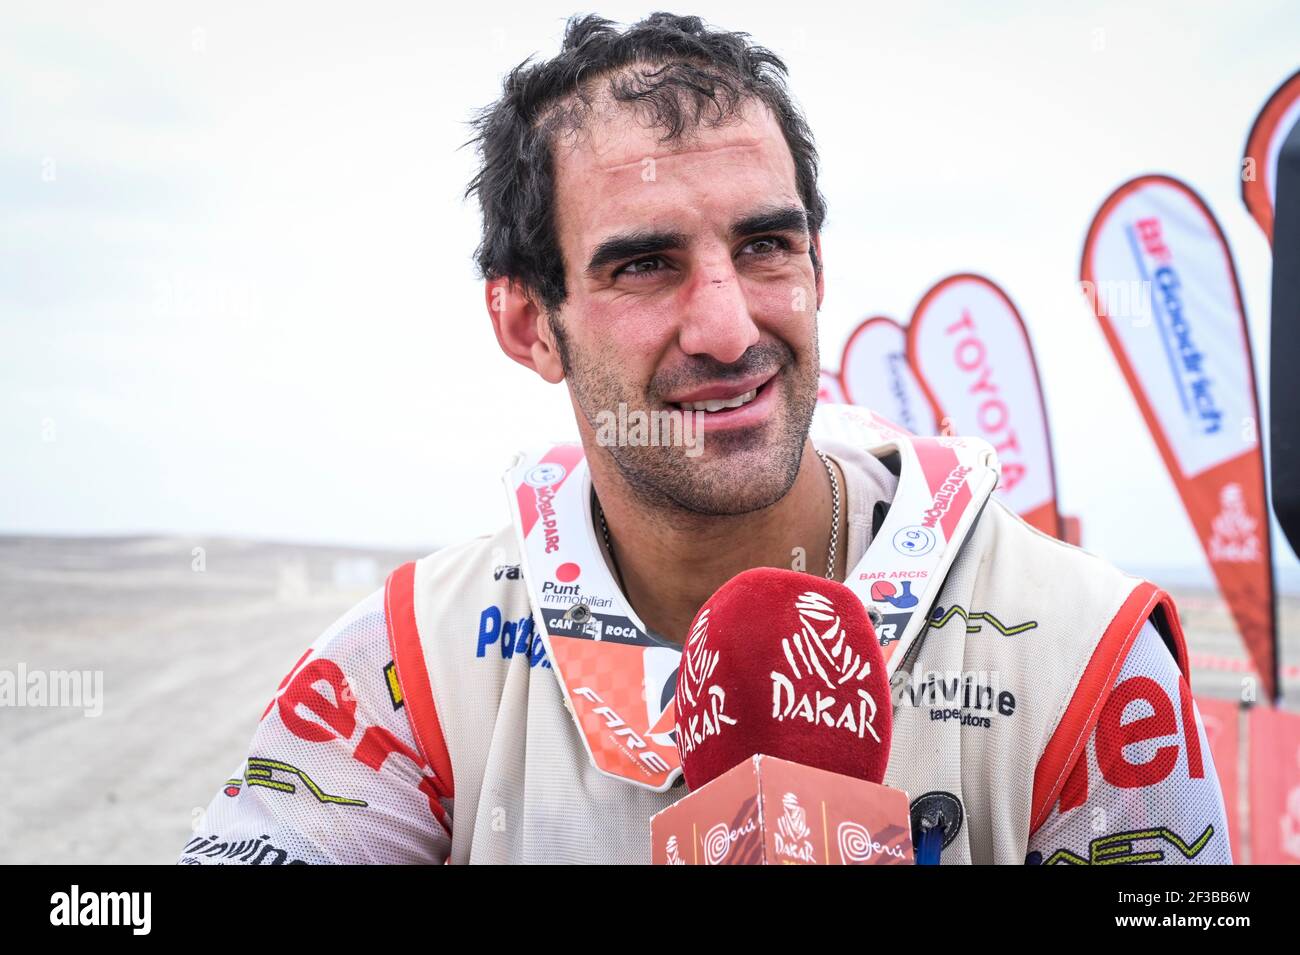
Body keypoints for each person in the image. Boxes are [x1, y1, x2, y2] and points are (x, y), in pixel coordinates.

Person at [179, 12, 1231, 865]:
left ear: (816, 270)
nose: (729, 327)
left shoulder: (1079, 650)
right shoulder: (415, 663)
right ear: (524, 323)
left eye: (765, 246)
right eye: (643, 265)